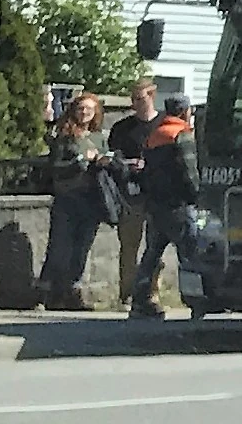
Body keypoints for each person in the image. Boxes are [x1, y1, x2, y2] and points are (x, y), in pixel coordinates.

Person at [36, 92, 111, 310]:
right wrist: (79, 161)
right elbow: (56, 167)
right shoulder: (65, 135)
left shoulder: (99, 137)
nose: (84, 112)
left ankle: (72, 292)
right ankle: (46, 292)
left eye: (89, 109)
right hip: (67, 199)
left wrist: (105, 161)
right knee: (59, 247)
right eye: (81, 108)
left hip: (92, 200)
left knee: (81, 249)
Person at [130, 92, 200, 320]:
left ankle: (141, 301)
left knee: (151, 255)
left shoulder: (155, 135)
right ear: (184, 111)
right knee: (191, 255)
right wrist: (197, 197)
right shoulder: (182, 134)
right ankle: (197, 300)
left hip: (155, 206)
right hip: (179, 206)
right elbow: (190, 173)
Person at [108, 79, 160, 305]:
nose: (136, 104)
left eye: (140, 98)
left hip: (158, 194)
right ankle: (127, 294)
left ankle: (151, 292)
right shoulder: (122, 128)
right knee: (129, 246)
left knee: (155, 246)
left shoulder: (163, 125)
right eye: (133, 100)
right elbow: (111, 157)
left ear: (152, 96)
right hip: (131, 194)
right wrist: (127, 164)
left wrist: (149, 165)